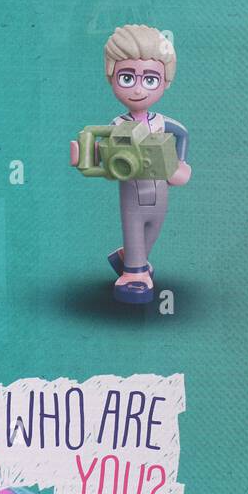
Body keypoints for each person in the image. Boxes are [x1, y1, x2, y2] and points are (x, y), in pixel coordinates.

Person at [90, 24, 190, 304]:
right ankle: (134, 273)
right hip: (132, 191)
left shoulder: (162, 123)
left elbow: (182, 134)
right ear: (112, 77)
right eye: (126, 77)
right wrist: (90, 156)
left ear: (164, 81)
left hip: (161, 188)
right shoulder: (118, 125)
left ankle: (127, 258)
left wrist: (182, 163)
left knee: (153, 228)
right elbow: (104, 151)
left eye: (149, 79)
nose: (137, 89)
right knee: (134, 228)